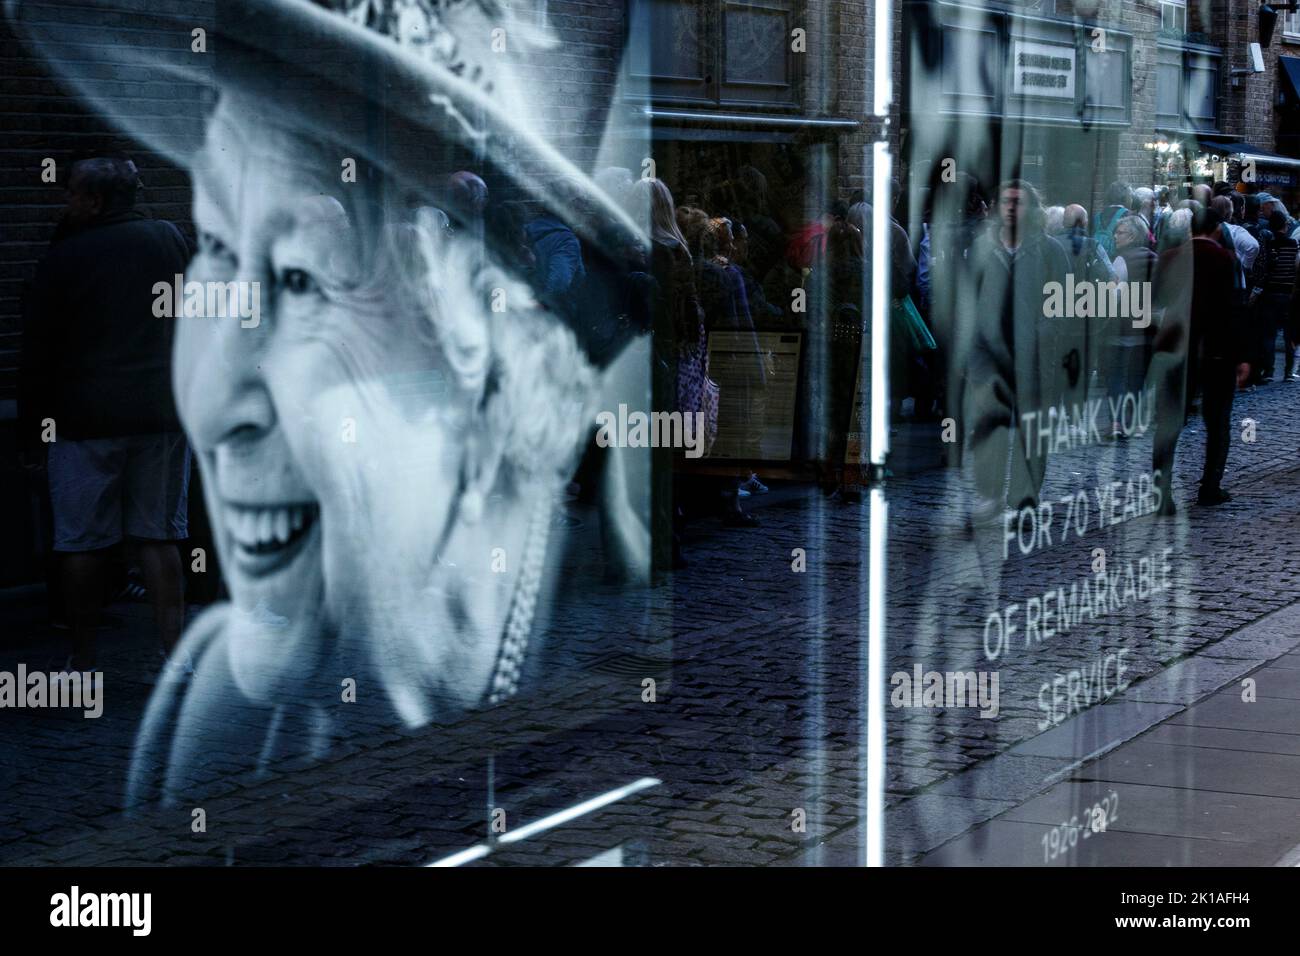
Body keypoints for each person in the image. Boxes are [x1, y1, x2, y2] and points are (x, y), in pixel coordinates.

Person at [20, 155, 192, 675]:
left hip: (84, 419)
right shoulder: (167, 239)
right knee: (160, 537)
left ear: (93, 200)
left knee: (81, 542)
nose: (65, 201)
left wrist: (33, 429)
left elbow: (39, 350)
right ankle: (175, 657)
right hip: (160, 412)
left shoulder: (64, 258)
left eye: (71, 193)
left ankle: (83, 657)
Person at [964, 178, 1079, 516]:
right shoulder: (983, 249)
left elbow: (1064, 303)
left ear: (1032, 209)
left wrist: (1046, 332)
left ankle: (1024, 499)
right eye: (1005, 201)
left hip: (1036, 359)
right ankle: (990, 495)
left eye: (1019, 201)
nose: (1012, 208)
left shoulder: (1050, 250)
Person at [1151, 206, 1252, 510]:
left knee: (1169, 423)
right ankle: (1210, 486)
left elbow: (1153, 305)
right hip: (1217, 351)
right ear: (1217, 229)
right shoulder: (1226, 260)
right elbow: (1234, 310)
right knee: (1217, 422)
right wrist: (1242, 355)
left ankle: (1162, 493)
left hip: (1175, 349)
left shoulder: (1168, 259)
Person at [1250, 209, 1299, 384]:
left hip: (1270, 294)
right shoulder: (1293, 244)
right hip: (1287, 295)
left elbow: (1264, 269)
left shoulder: (1269, 244)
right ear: (1285, 226)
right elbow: (1295, 267)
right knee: (1289, 335)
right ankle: (1288, 372)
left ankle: (1269, 371)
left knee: (1269, 334)